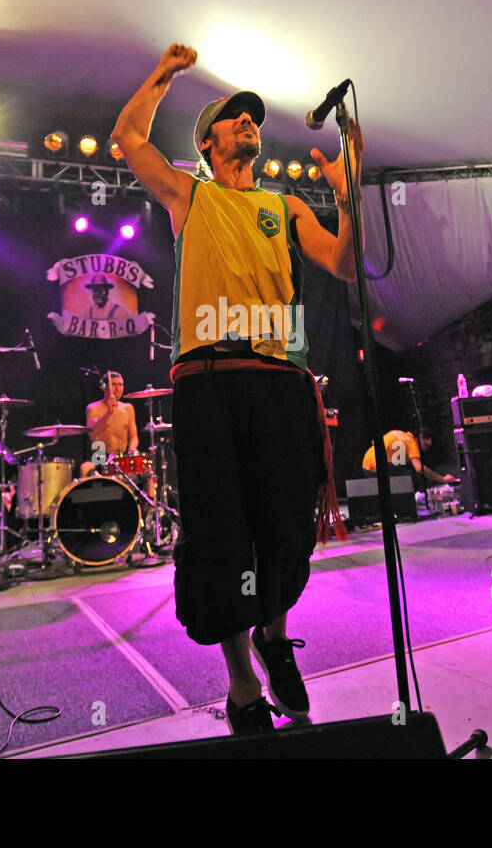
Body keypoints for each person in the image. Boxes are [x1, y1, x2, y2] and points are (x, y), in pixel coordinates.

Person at [112, 43, 359, 734]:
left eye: (254, 118)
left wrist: (348, 190)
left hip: (280, 379)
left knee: (285, 527)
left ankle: (277, 639)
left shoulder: (283, 206)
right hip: (212, 381)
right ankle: (242, 681)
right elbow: (129, 135)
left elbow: (345, 263)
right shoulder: (190, 195)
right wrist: (164, 74)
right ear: (208, 141)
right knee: (225, 532)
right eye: (234, 119)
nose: (249, 123)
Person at [80, 371, 139, 478]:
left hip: (122, 457)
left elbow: (134, 436)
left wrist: (132, 450)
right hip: (100, 456)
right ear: (104, 387)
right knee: (85, 468)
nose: (117, 388)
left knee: (146, 470)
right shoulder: (93, 408)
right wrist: (109, 413)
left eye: (120, 385)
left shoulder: (128, 408)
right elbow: (92, 434)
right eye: (114, 384)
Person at [362, 430, 459, 487]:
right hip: (378, 466)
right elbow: (420, 469)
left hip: (366, 465)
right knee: (412, 479)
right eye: (425, 445)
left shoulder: (397, 433)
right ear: (421, 437)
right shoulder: (411, 443)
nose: (424, 449)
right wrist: (442, 479)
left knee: (404, 474)